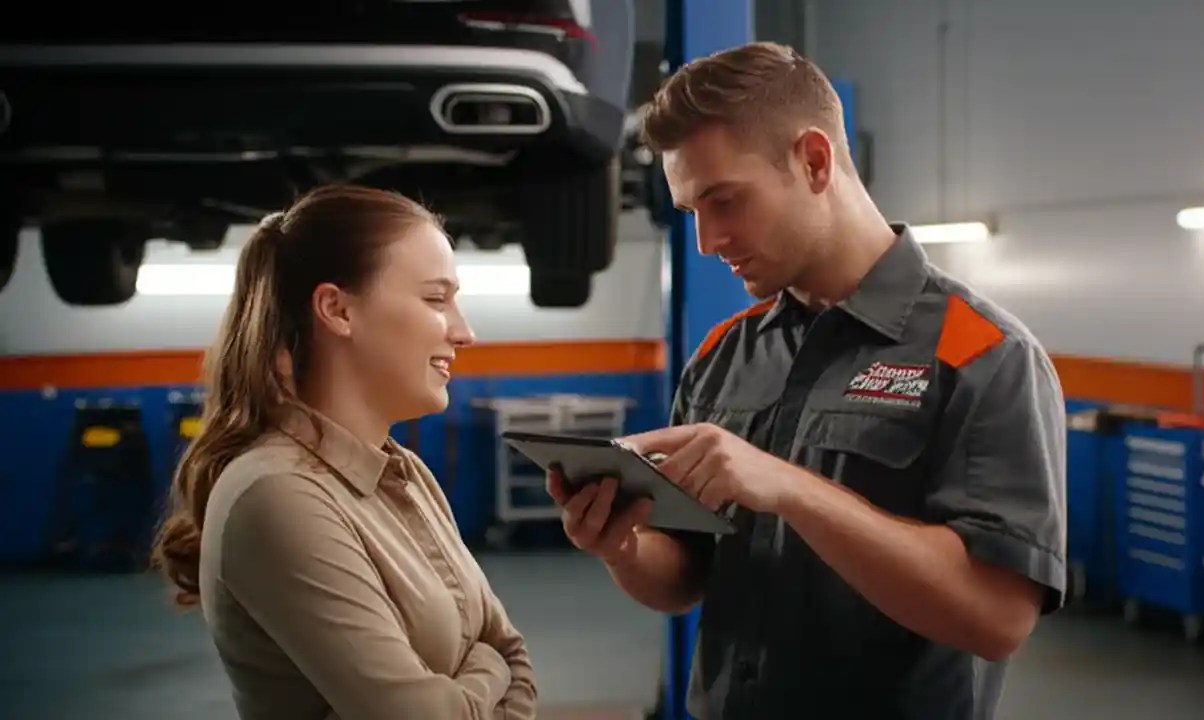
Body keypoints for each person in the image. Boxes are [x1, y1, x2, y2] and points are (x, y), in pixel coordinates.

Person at [546, 41, 1067, 719]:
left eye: (724, 201)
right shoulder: (725, 353)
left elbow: (997, 620)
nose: (707, 240)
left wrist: (791, 488)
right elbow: (689, 574)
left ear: (814, 161)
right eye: (691, 212)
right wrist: (622, 547)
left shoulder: (983, 355)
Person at [152, 184, 537, 720]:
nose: (464, 330)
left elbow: (512, 652)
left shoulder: (405, 473)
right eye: (435, 298)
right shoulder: (277, 494)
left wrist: (480, 674)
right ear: (337, 309)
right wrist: (487, 669)